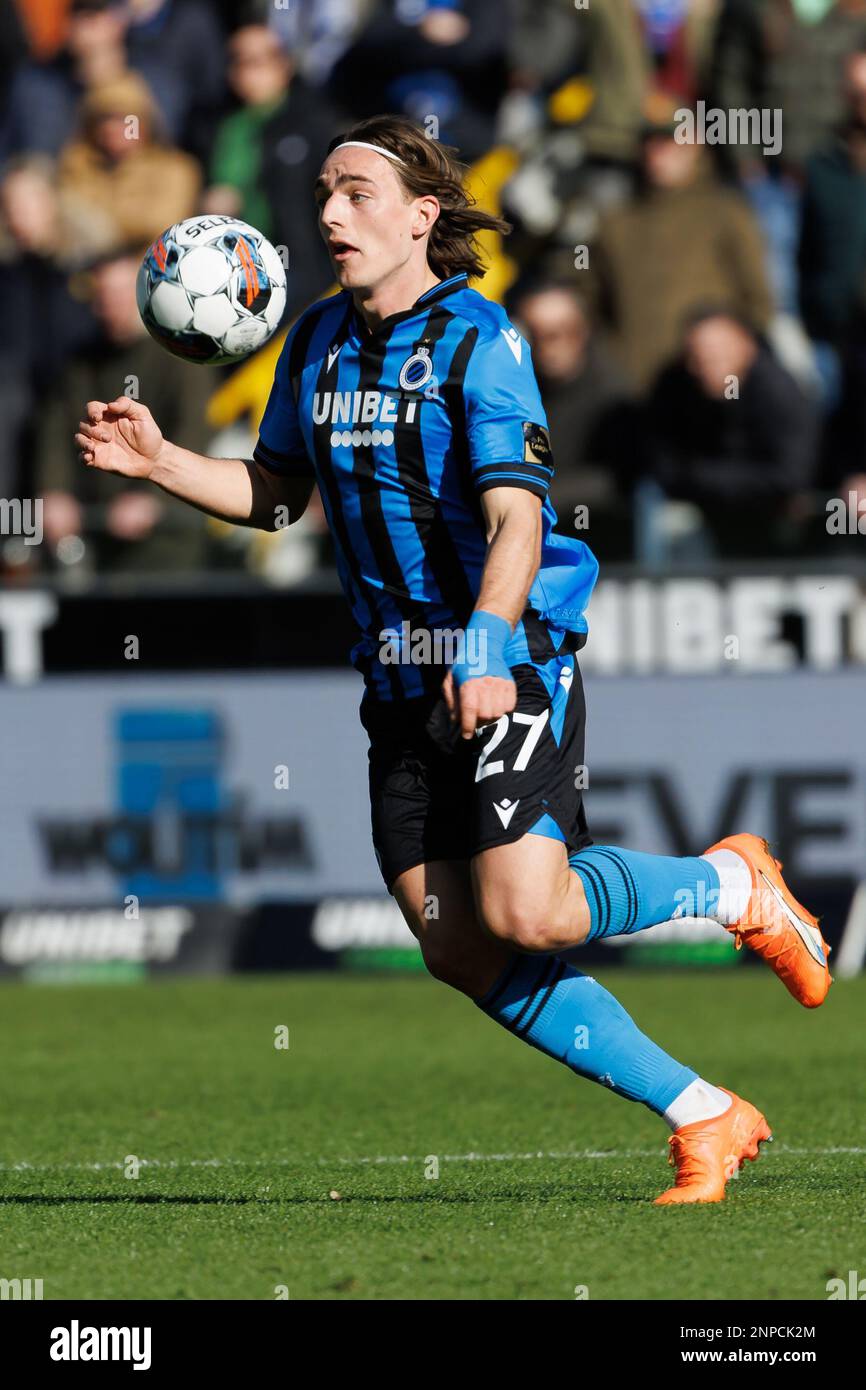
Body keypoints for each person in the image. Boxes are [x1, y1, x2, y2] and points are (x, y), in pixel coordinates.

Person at [74, 114, 832, 1206]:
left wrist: (482, 643)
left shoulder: (480, 341)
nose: (329, 214)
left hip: (504, 654)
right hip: (395, 682)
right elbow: (277, 495)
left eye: (356, 193)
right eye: (324, 194)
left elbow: (516, 521)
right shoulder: (318, 339)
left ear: (422, 215)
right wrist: (163, 463)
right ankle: (704, 1113)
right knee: (460, 948)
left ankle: (731, 884)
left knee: (529, 911)